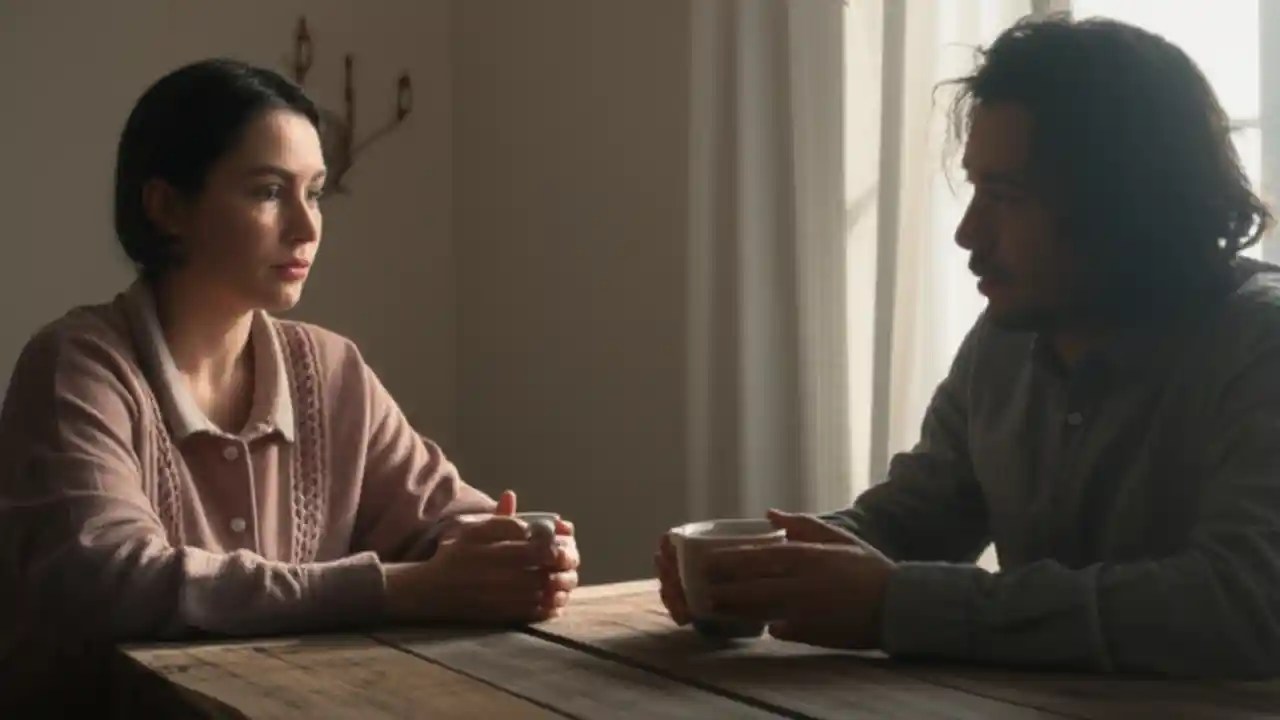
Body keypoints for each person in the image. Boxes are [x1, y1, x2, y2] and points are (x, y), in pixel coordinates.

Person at [658, 15, 1280, 678]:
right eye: (976, 188)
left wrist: (894, 604)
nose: (967, 233)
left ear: (1125, 204)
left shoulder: (1259, 346)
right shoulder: (1008, 338)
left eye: (1005, 197)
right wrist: (762, 567)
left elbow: (1247, 605)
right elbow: (920, 517)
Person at [0, 58, 580, 702]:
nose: (306, 228)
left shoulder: (329, 369)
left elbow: (443, 517)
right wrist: (398, 589)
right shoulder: (78, 367)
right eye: (269, 192)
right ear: (167, 206)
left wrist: (517, 552)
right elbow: (115, 580)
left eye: (315, 193)